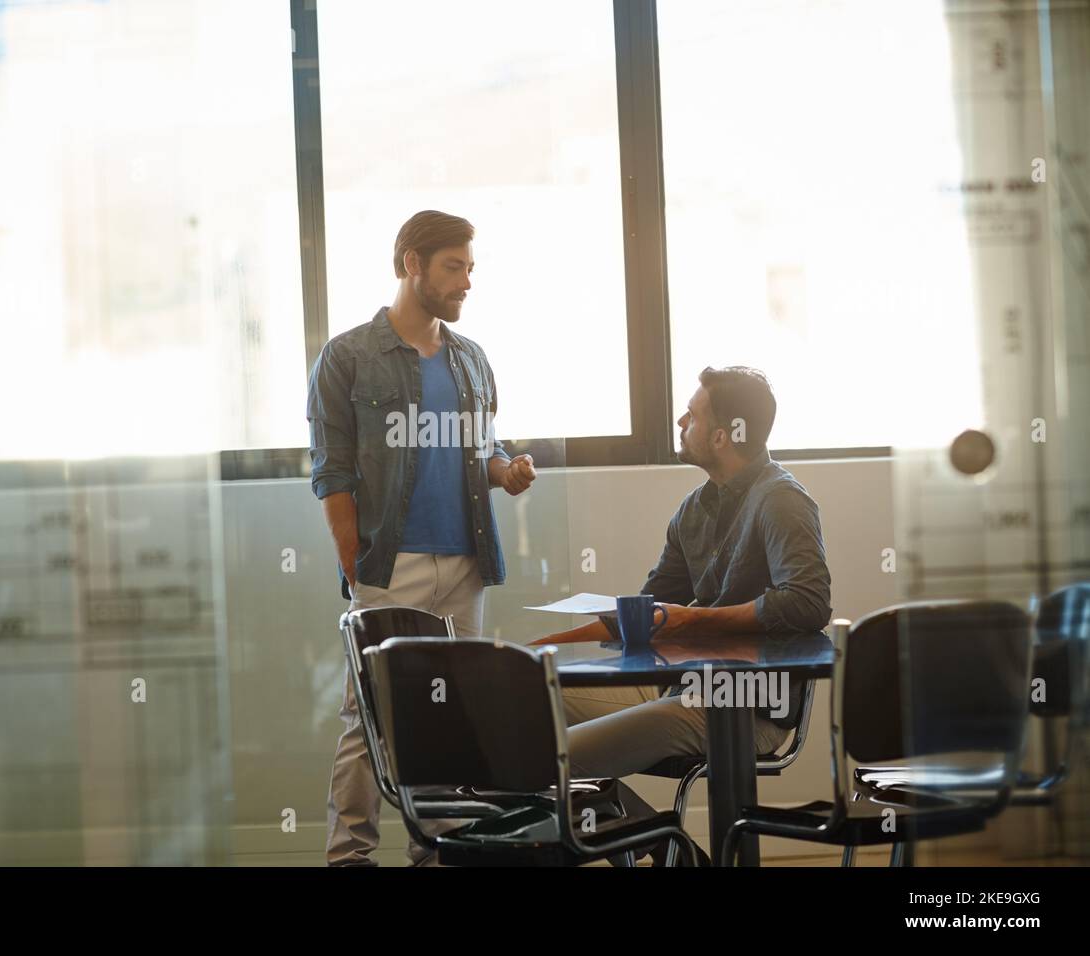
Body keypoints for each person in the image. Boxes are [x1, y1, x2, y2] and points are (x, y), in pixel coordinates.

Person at [307, 209, 537, 866]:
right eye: (453, 267)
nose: (466, 281)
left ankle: (437, 852)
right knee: (373, 717)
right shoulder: (348, 358)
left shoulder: (471, 361)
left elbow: (479, 455)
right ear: (413, 263)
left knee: (450, 716)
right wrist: (358, 567)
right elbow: (334, 473)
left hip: (464, 565)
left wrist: (508, 472)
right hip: (392, 566)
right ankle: (350, 856)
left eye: (469, 267)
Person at [533, 366, 832, 781]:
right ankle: (642, 837)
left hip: (747, 705)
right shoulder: (694, 509)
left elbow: (808, 602)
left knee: (548, 757)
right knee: (524, 702)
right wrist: (538, 652)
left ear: (721, 436)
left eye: (691, 414)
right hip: (682, 687)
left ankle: (645, 837)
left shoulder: (782, 500)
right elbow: (641, 615)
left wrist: (693, 618)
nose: (680, 421)